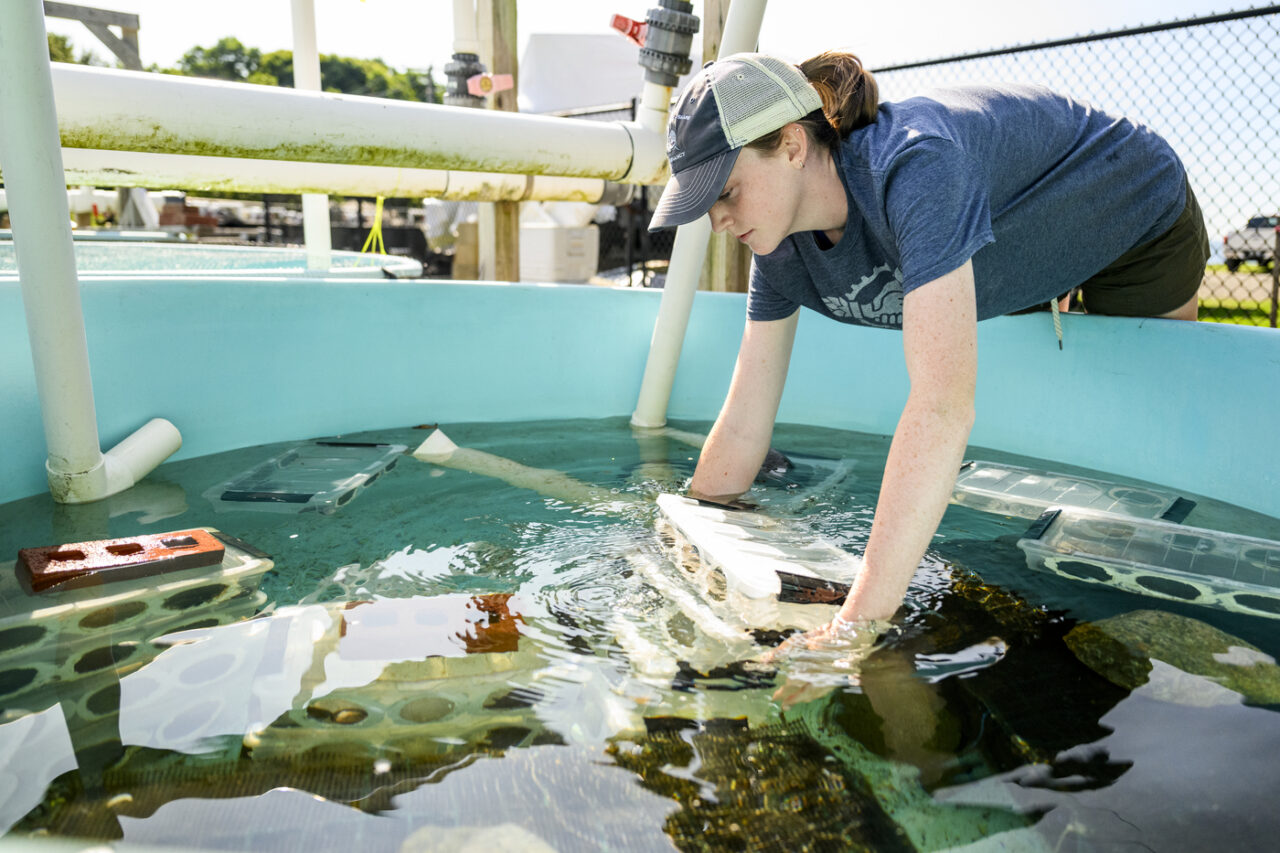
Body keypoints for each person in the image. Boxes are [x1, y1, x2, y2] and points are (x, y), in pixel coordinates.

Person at [648, 52, 1209, 649]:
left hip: (1130, 210)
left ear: (791, 145)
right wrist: (689, 533)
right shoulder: (780, 251)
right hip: (1007, 243)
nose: (718, 221)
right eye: (705, 205)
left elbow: (941, 408)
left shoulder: (916, 165)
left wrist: (853, 627)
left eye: (726, 192)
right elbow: (743, 422)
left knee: (1145, 425)